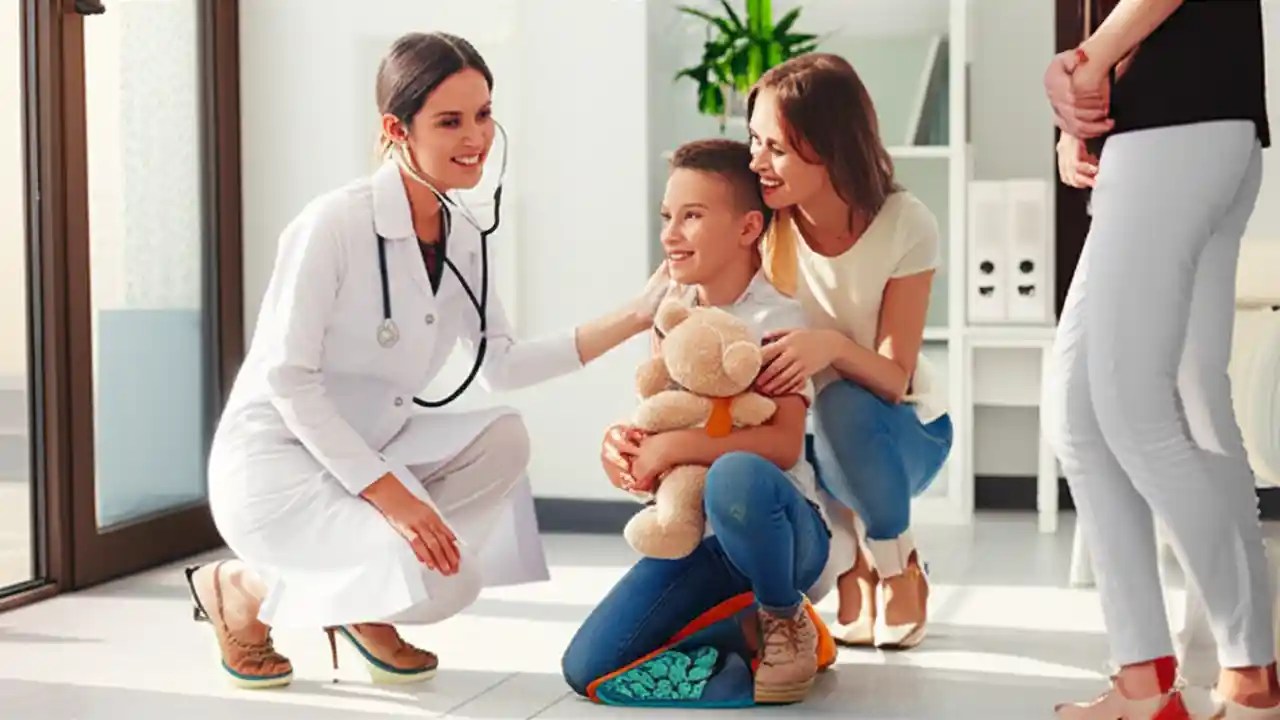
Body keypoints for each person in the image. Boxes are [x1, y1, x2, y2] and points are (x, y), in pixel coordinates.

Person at [182, 31, 669, 689]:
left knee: (503, 437)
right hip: (279, 466)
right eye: (450, 121)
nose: (476, 136)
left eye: (484, 114)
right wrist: (391, 499)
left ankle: (362, 585)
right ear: (396, 128)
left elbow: (503, 363)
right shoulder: (331, 224)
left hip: (372, 446)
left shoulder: (463, 231)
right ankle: (239, 586)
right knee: (448, 582)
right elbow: (286, 377)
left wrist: (638, 313)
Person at [1043, 0, 1279, 716]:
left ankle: (1246, 670)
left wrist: (1092, 61)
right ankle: (1152, 679)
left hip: (1173, 127)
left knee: (1122, 407)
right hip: (1186, 126)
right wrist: (1079, 107)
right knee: (1124, 409)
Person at [562, 139, 844, 706]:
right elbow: (663, 414)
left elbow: (785, 444)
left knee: (735, 474)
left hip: (783, 535)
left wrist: (674, 447)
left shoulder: (778, 319)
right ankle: (750, 638)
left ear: (746, 229)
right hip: (702, 543)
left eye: (691, 217)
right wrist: (628, 447)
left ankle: (784, 616)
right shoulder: (673, 313)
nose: (670, 234)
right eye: (668, 216)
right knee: (589, 667)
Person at [743, 53, 953, 651]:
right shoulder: (764, 222)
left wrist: (830, 346)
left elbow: (894, 376)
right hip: (803, 440)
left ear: (830, 146)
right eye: (754, 141)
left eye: (776, 148)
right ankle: (851, 567)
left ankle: (895, 567)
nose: (757, 162)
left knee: (842, 404)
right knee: (805, 417)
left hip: (901, 432)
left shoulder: (905, 223)